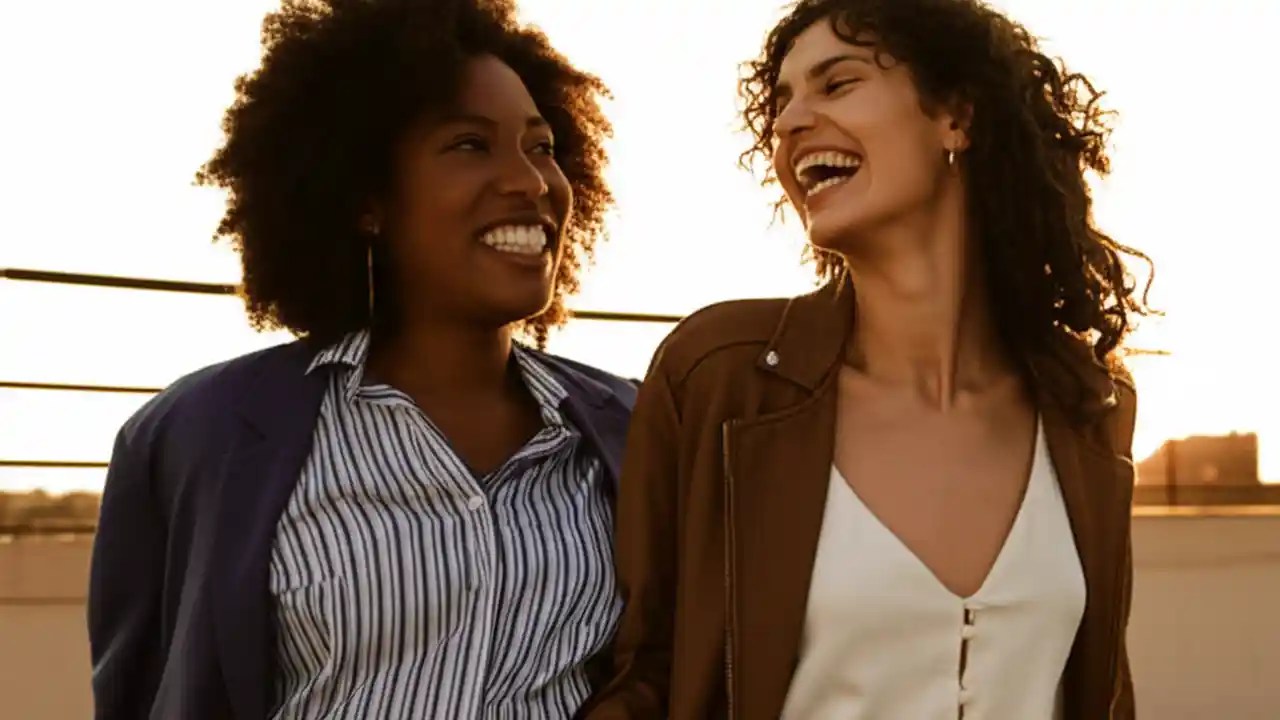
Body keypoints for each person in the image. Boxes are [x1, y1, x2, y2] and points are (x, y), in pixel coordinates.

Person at [580, 0, 1151, 718]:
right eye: (782, 102)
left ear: (956, 117)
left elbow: (1104, 690)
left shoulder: (1088, 404)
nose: (788, 123)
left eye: (836, 84)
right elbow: (648, 672)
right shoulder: (719, 375)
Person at [87, 0, 631, 717]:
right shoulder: (197, 435)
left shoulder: (634, 427)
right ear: (366, 199)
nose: (531, 183)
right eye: (470, 144)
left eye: (542, 146)